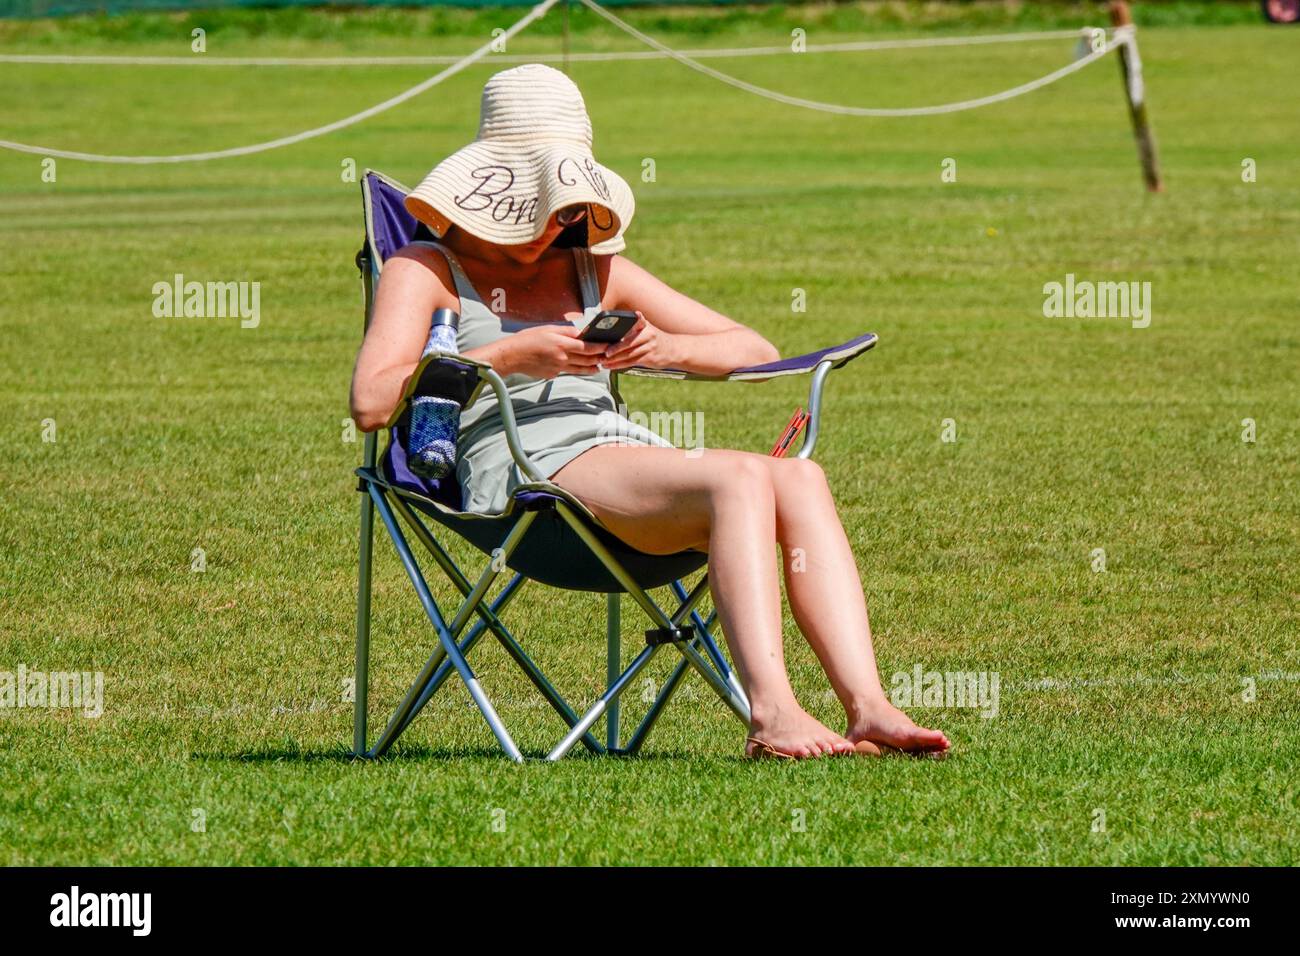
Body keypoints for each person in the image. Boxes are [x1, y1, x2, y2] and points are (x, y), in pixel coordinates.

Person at [350, 64, 949, 760]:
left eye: (565, 206)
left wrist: (661, 348)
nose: (556, 225)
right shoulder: (422, 269)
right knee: (738, 478)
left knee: (798, 479)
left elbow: (753, 347)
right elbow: (371, 401)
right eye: (541, 205)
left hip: (622, 461)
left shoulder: (596, 272)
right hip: (524, 481)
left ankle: (869, 707)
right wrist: (512, 359)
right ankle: (774, 713)